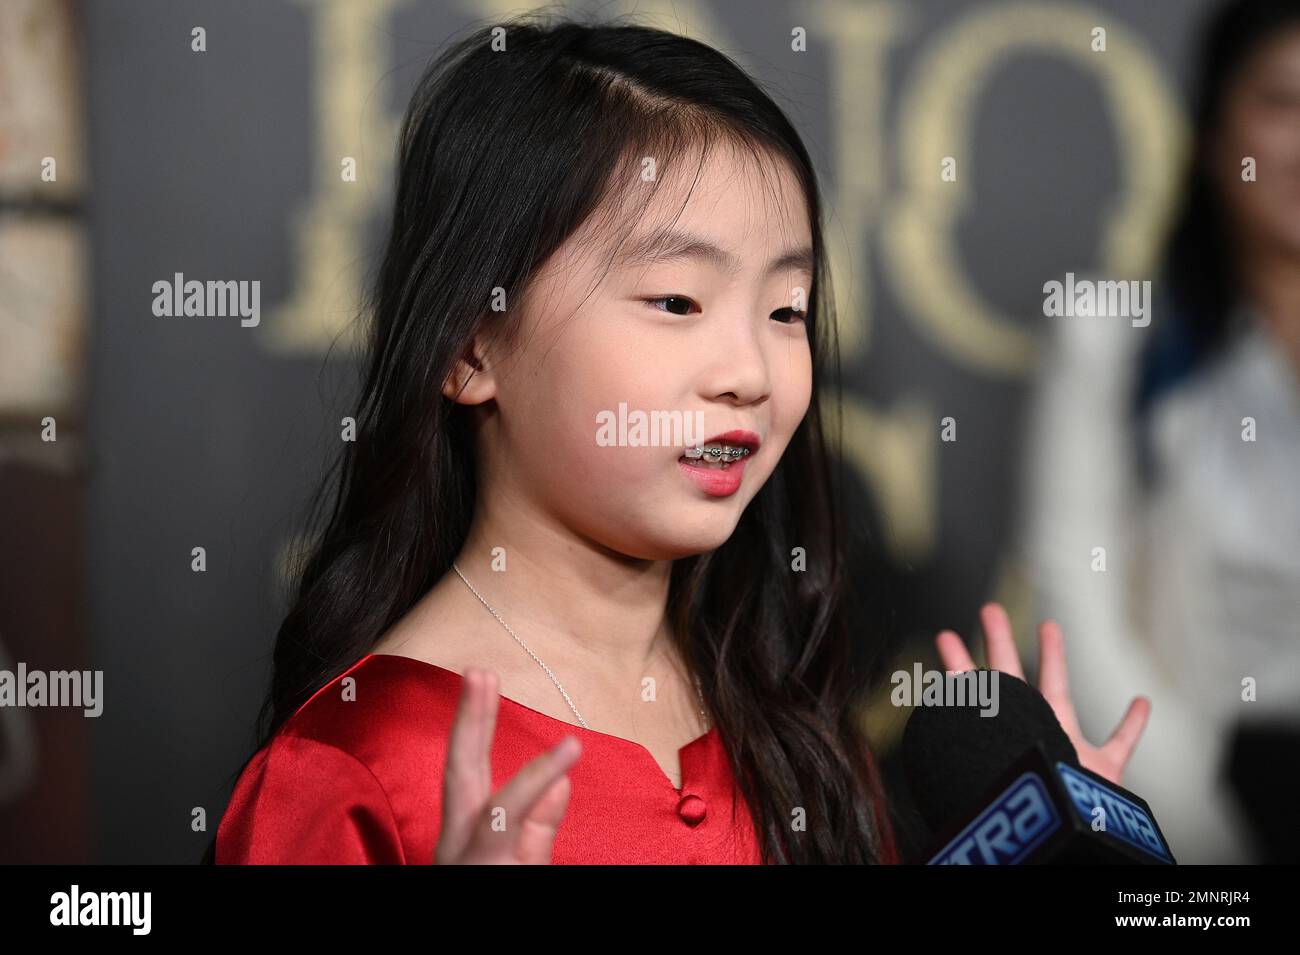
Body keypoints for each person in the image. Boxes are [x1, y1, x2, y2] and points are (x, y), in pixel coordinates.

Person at [210, 13, 1148, 865]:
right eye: (676, 301)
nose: (748, 368)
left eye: (787, 308)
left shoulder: (797, 735)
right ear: (469, 344)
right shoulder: (354, 767)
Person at [1017, 0, 1300, 863]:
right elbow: (1074, 594)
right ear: (1215, 130)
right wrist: (1199, 833)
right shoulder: (1113, 334)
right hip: (1196, 788)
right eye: (1283, 104)